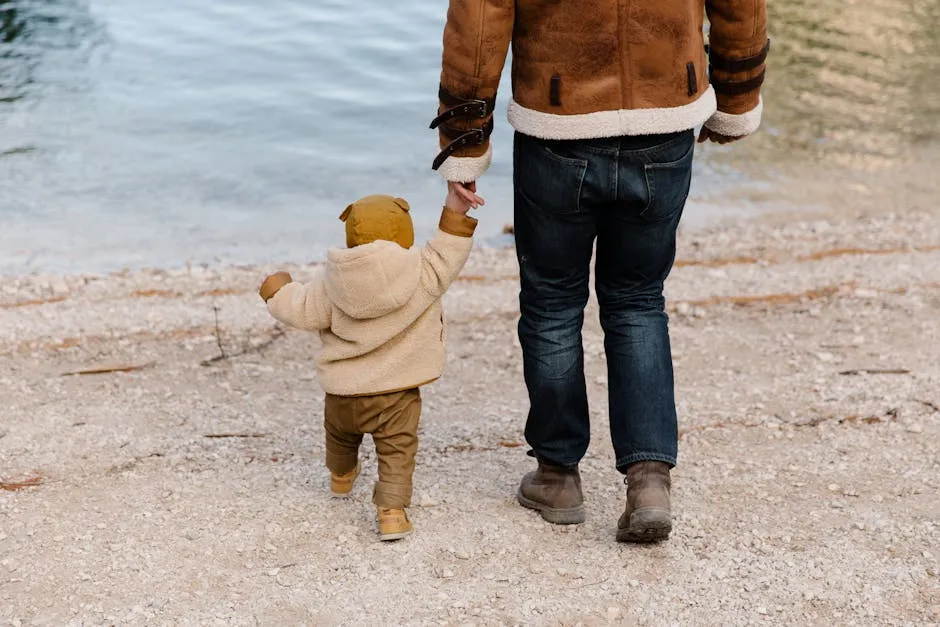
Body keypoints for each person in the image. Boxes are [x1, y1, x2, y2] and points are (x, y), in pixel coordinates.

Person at [431, 0, 768, 542]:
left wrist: (464, 147)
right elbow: (739, 6)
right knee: (638, 300)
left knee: (552, 304)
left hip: (557, 126)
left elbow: (479, 23)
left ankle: (558, 475)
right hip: (666, 116)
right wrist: (736, 99)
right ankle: (649, 479)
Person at [258, 188, 478, 541]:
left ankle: (341, 477)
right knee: (396, 451)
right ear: (404, 228)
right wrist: (456, 208)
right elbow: (450, 248)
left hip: (343, 393)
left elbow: (298, 308)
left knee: (340, 439)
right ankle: (391, 514)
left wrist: (275, 288)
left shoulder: (331, 282)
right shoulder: (424, 271)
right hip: (396, 395)